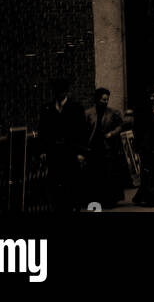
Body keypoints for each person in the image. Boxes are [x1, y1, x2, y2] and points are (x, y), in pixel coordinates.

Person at [37, 77, 87, 211]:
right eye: (57, 92)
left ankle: (72, 207)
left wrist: (81, 152)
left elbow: (82, 132)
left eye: (61, 92)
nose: (59, 94)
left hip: (71, 152)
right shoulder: (47, 109)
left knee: (71, 184)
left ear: (66, 92)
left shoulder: (76, 108)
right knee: (55, 185)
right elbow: (42, 131)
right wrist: (42, 151)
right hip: (54, 153)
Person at [83, 87, 126, 209]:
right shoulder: (89, 113)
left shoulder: (113, 113)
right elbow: (85, 130)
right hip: (93, 147)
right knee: (94, 174)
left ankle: (108, 199)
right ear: (97, 99)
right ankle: (95, 199)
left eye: (107, 100)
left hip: (107, 146)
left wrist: (112, 133)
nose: (105, 102)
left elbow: (120, 126)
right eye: (103, 100)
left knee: (108, 173)